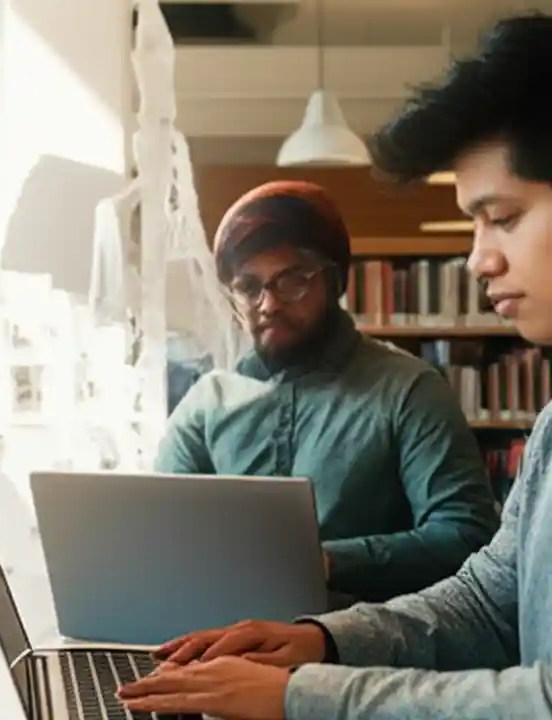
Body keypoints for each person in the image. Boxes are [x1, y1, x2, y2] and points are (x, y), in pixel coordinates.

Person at [119, 14, 552, 719]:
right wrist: (320, 640)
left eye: (501, 217)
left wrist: (302, 693)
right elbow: (488, 598)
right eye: (247, 286)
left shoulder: (406, 388)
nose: (479, 259)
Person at [154, 179, 499, 604]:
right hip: (219, 641)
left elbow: (466, 535)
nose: (268, 304)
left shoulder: (408, 389)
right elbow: (161, 531)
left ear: (335, 282)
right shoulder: (206, 404)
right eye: (248, 287)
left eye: (292, 280)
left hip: (362, 654)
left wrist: (328, 562)